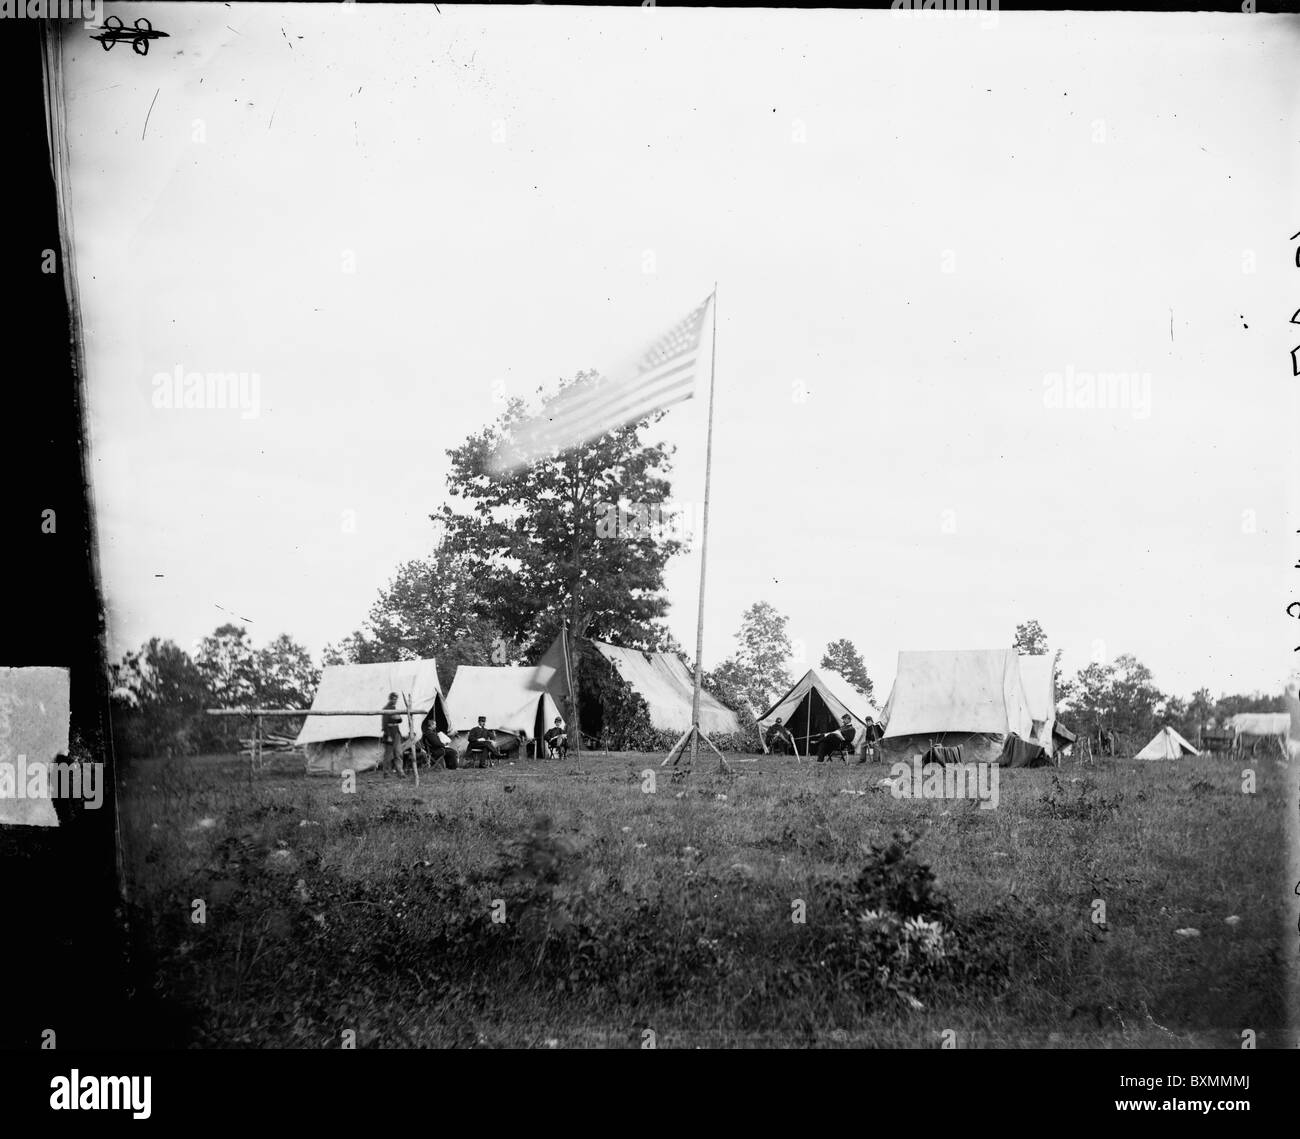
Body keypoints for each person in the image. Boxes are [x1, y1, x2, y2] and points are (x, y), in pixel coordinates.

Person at [380, 692, 405, 776]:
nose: (395, 701)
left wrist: (397, 717)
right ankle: (386, 772)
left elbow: (400, 720)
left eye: (396, 699)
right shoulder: (386, 709)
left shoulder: (394, 709)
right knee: (388, 754)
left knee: (398, 753)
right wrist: (389, 735)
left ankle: (400, 771)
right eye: (393, 699)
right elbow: (384, 724)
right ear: (390, 699)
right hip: (390, 733)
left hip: (397, 732)